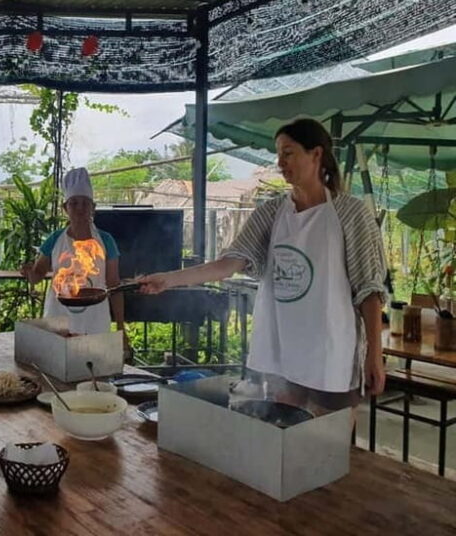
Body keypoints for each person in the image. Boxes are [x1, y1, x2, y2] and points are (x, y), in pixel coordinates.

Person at [140, 118, 387, 413]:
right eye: (278, 154)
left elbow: (370, 291)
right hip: (283, 351)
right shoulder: (271, 212)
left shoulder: (350, 213)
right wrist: (167, 279)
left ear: (316, 154)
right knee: (285, 432)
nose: (280, 163)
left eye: (288, 153)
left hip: (333, 353)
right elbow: (227, 264)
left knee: (329, 437)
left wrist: (374, 354)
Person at [21, 168, 129, 357]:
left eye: (85, 203)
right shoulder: (55, 240)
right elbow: (37, 276)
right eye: (74, 203)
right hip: (58, 317)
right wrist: (29, 273)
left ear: (93, 207)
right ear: (65, 208)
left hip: (95, 320)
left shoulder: (106, 241)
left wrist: (121, 328)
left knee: (93, 365)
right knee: (55, 363)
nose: (80, 208)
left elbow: (114, 285)